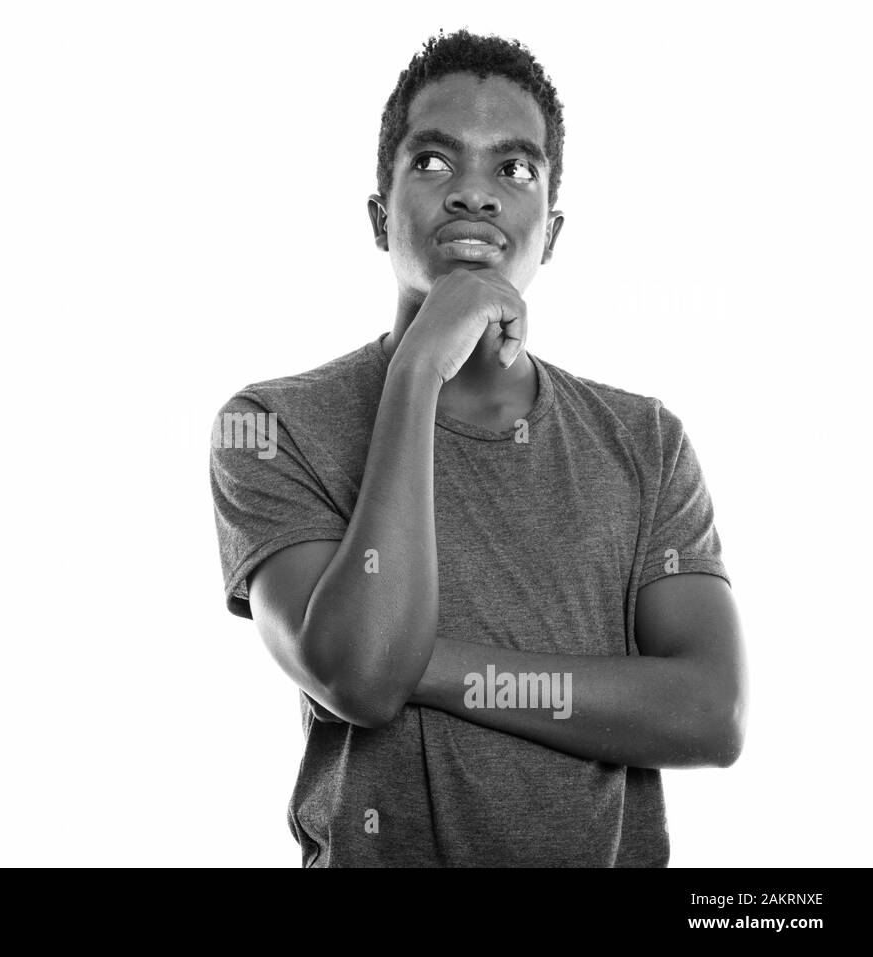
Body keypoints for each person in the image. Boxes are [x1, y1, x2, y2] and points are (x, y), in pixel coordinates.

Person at [208, 28, 747, 867]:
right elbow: (361, 673)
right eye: (432, 162)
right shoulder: (271, 428)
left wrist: (427, 666)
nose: (474, 195)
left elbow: (712, 713)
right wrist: (419, 367)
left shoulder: (645, 442)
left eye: (514, 169)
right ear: (379, 217)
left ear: (552, 231)